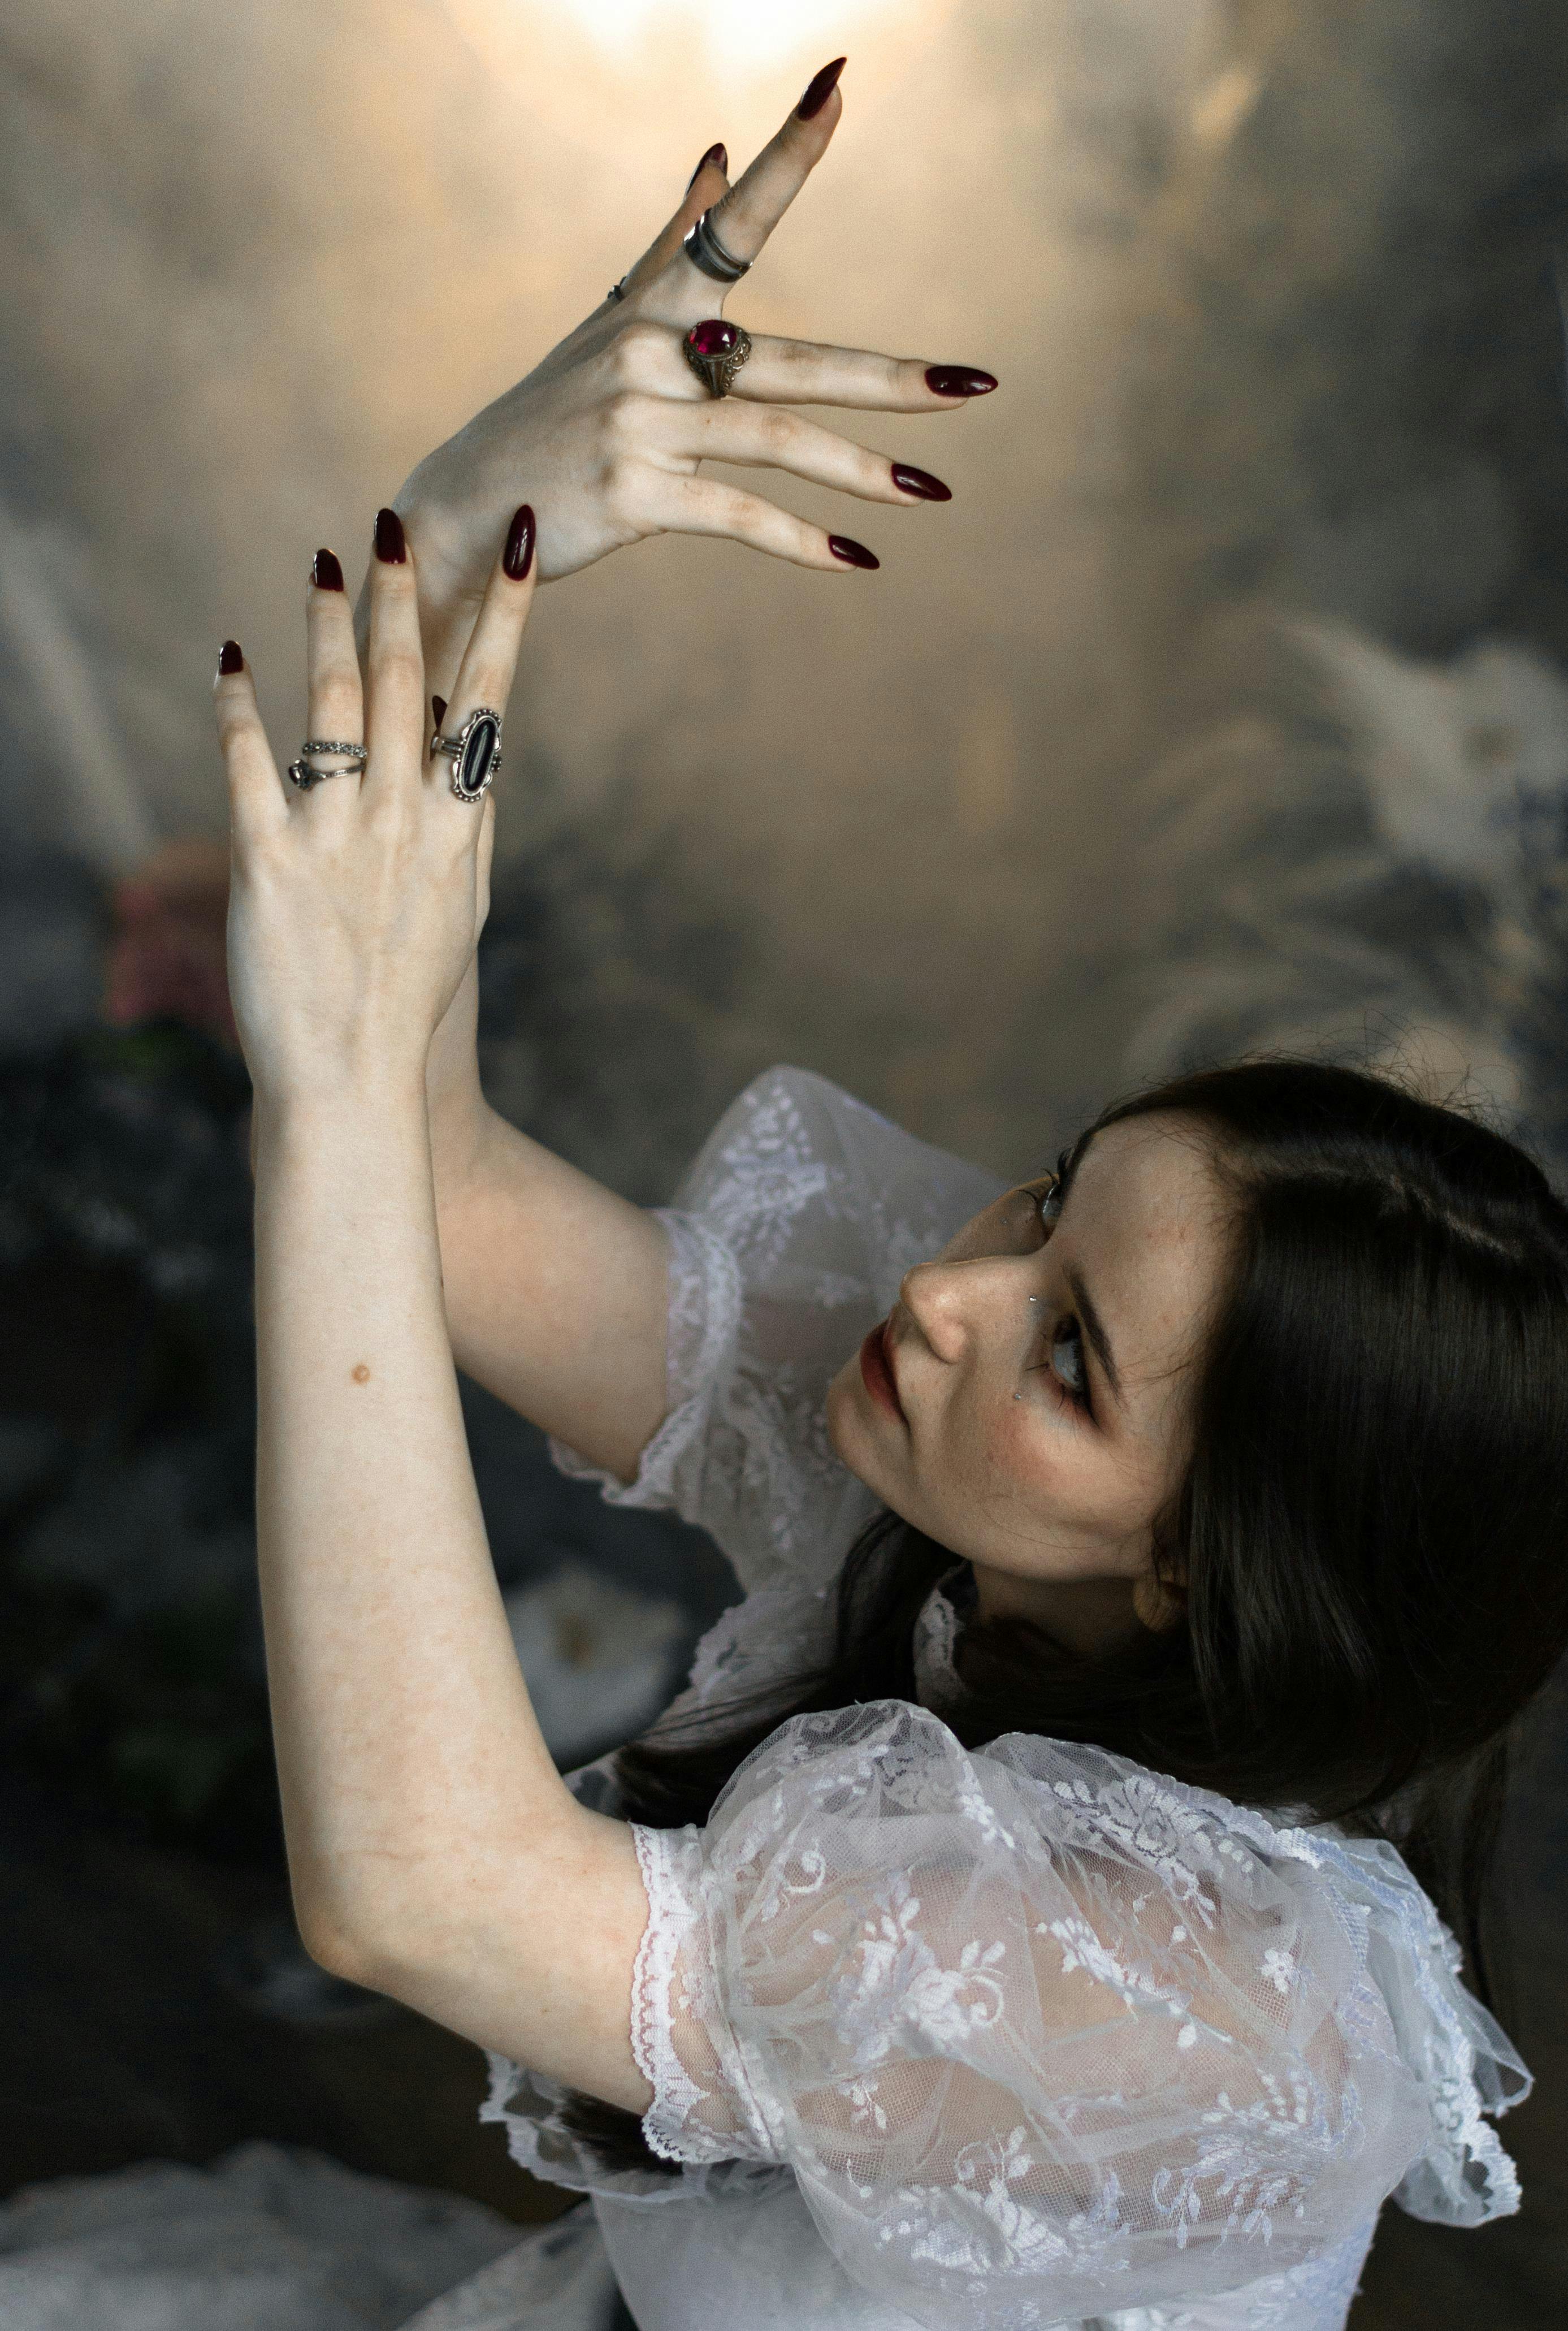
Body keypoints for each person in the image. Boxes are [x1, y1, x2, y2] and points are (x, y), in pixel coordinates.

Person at [211, 64, 1567, 2331]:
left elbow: (423, 1893)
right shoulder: (967, 1469)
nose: (955, 1288)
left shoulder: (1203, 1997)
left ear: (1194, 1564)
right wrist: (459, 534)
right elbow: (426, 1197)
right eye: (1046, 1204)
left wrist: (341, 1059)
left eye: (1070, 1352)